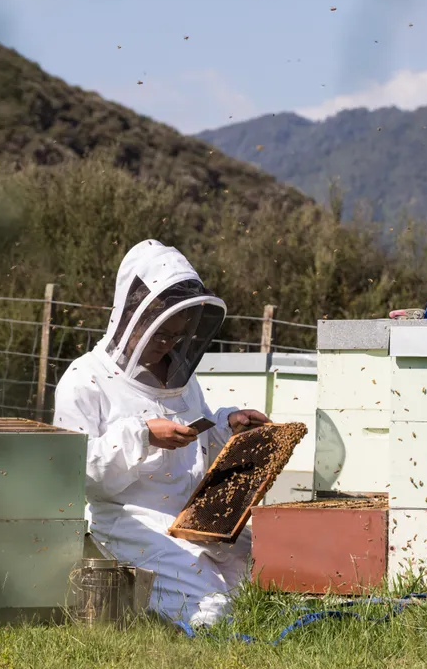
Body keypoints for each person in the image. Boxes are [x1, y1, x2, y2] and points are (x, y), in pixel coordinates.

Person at [53, 239, 271, 628]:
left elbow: (199, 441)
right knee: (212, 611)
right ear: (133, 317)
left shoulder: (180, 380)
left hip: (192, 518)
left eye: (176, 335)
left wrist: (227, 426)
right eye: (161, 335)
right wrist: (141, 436)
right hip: (126, 521)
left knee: (265, 584)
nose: (168, 344)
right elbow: (75, 475)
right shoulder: (84, 381)